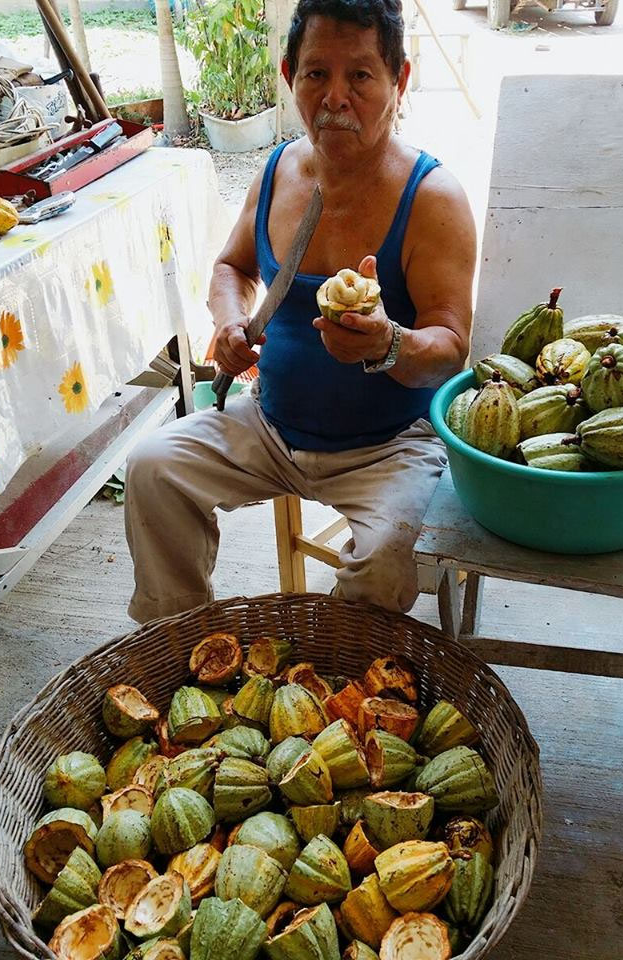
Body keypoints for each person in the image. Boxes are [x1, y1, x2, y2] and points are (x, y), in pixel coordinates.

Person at [124, 0, 476, 622]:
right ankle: (177, 639)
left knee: (385, 558)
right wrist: (230, 321)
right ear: (290, 76)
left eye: (361, 76)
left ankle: (337, 676)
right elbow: (231, 267)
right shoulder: (279, 168)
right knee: (153, 468)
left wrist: (387, 345)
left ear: (400, 80)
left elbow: (450, 349)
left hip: (391, 447)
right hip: (269, 427)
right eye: (317, 73)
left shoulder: (433, 199)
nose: (336, 96)